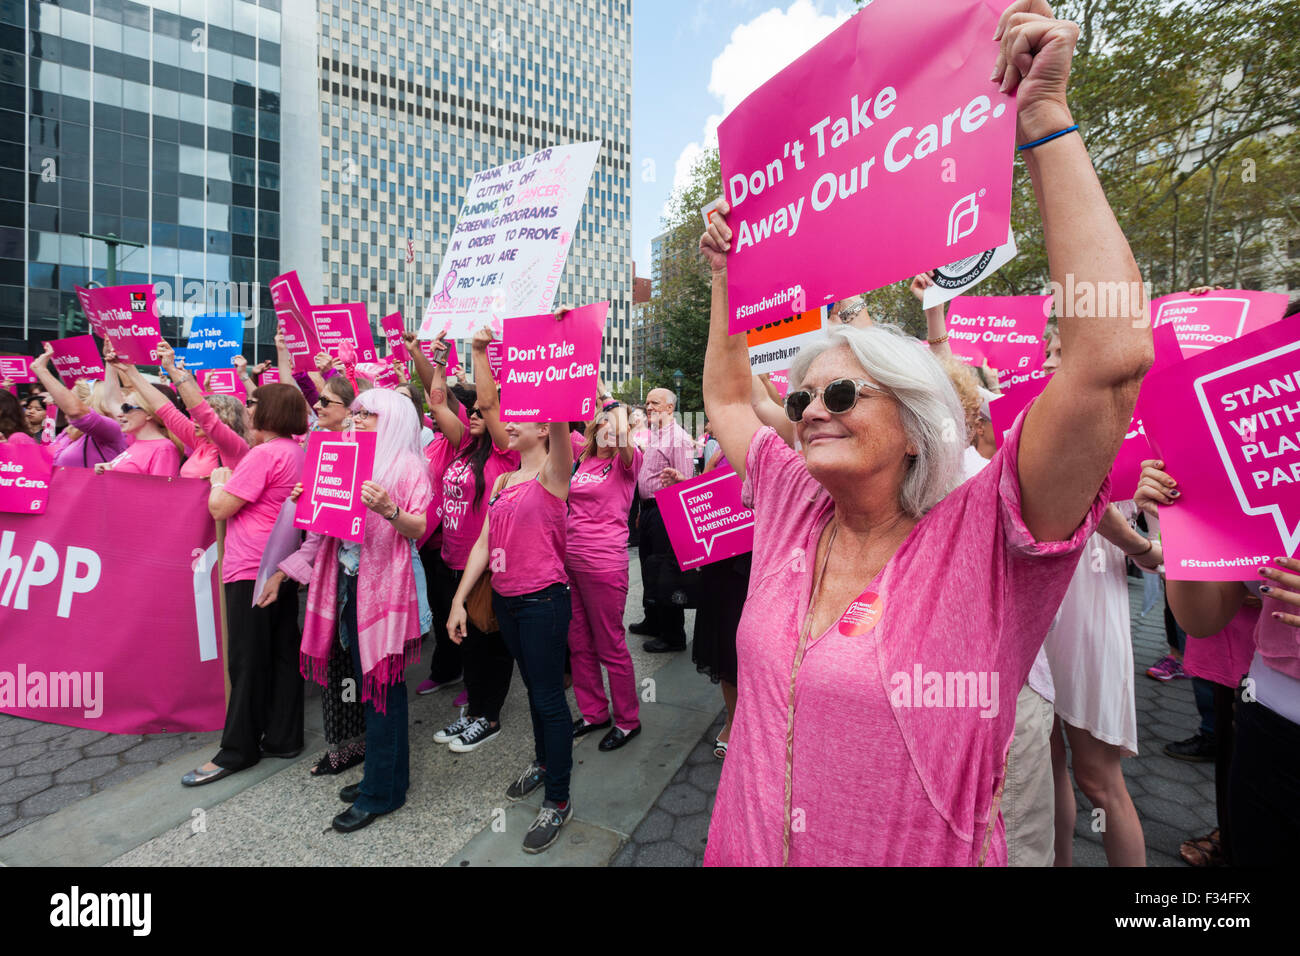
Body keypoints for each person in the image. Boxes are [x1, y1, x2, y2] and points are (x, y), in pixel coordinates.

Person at [697, 1, 1154, 865]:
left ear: (913, 426)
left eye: (839, 390)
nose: (811, 410)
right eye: (798, 402)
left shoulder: (985, 543)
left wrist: (1045, 114)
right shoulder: (794, 500)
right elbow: (726, 395)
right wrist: (727, 278)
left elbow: (1109, 360)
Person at [265, 388, 432, 831]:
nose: (357, 420)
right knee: (371, 688)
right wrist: (307, 499)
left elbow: (419, 525)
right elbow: (324, 526)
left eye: (367, 415)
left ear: (392, 421)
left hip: (385, 591)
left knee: (382, 690)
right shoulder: (344, 457)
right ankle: (387, 779)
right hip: (347, 586)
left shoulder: (408, 465)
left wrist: (389, 509)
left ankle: (381, 792)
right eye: (355, 413)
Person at [1039, 324, 1163, 867]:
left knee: (1098, 779)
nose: (1050, 361)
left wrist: (1127, 532)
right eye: (1048, 350)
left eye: (1064, 351)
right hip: (1034, 613)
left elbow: (1163, 553)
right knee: (1043, 770)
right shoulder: (1031, 424)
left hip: (1091, 611)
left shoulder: (1147, 433)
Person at [448, 386, 574, 853]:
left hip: (543, 602)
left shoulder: (555, 472)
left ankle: (557, 799)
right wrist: (459, 600)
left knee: (548, 699)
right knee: (535, 693)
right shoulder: (502, 482)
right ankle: (543, 763)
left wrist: (555, 369)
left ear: (544, 429)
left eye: (523, 417)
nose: (510, 423)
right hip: (506, 601)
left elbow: (560, 423)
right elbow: (483, 544)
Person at [182, 383, 309, 787]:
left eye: (252, 403)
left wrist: (220, 480)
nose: (247, 409)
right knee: (282, 655)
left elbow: (221, 506)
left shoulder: (266, 453)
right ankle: (283, 736)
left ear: (268, 411)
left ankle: (238, 749)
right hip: (281, 564)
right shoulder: (296, 451)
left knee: (247, 659)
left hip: (252, 566)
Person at [429, 327, 520, 751]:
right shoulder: (462, 444)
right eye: (474, 412)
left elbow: (486, 400)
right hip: (452, 559)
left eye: (485, 411)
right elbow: (435, 401)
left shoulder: (506, 451)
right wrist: (438, 361)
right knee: (464, 640)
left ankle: (489, 716)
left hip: (485, 563)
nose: (478, 414)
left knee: (487, 640)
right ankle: (474, 711)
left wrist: (479, 351)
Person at [567, 398, 643, 751]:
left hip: (604, 564)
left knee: (610, 644)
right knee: (579, 643)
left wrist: (614, 406)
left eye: (618, 429)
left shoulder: (626, 464)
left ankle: (628, 721)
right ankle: (594, 712)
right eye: (605, 427)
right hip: (570, 563)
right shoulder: (580, 460)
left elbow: (624, 438)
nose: (612, 434)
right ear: (594, 430)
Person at [114, 341, 249, 478]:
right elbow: (166, 410)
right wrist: (129, 370)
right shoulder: (201, 442)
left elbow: (203, 414)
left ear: (225, 418)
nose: (194, 420)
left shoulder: (234, 447)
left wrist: (173, 371)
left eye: (199, 418)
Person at [630, 386, 695, 652]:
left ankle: (672, 634)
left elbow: (686, 480)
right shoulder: (656, 435)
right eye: (647, 402)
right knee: (648, 566)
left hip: (666, 511)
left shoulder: (678, 438)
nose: (649, 407)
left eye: (655, 403)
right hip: (648, 510)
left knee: (665, 572)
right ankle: (653, 620)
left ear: (670, 408)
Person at [30, 344, 128, 468]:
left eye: (71, 398)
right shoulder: (68, 432)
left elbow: (76, 411)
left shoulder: (111, 430)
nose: (63, 404)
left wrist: (41, 370)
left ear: (89, 403)